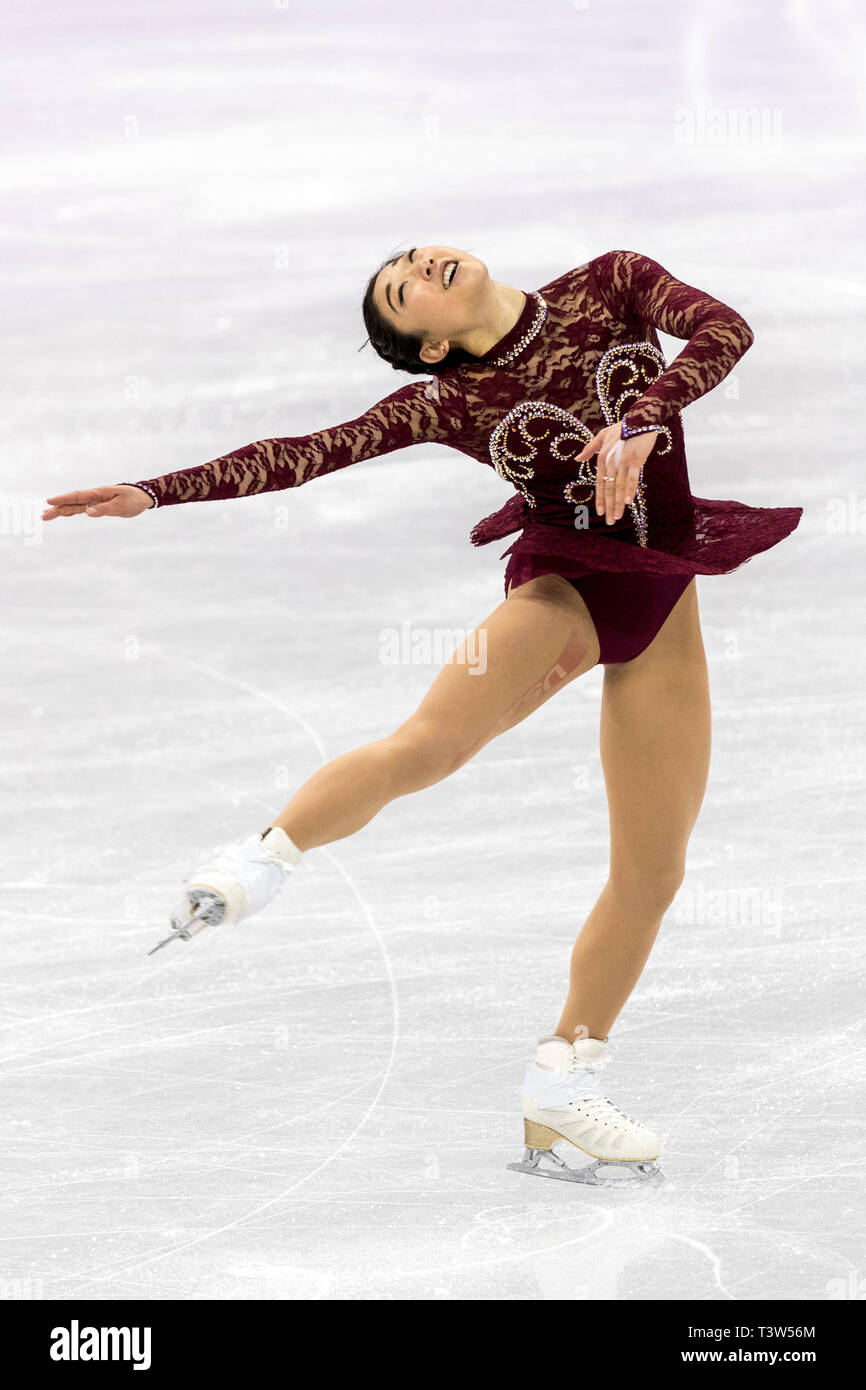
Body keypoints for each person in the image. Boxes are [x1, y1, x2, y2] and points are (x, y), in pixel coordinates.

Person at [43, 244, 802, 1186]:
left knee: (653, 870)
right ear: (431, 345)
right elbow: (302, 455)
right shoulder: (446, 400)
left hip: (664, 601)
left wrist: (644, 418)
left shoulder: (609, 282)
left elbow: (726, 328)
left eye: (414, 256)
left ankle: (564, 1082)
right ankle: (258, 861)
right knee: (431, 745)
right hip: (569, 589)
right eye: (406, 290)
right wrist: (155, 491)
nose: (424, 264)